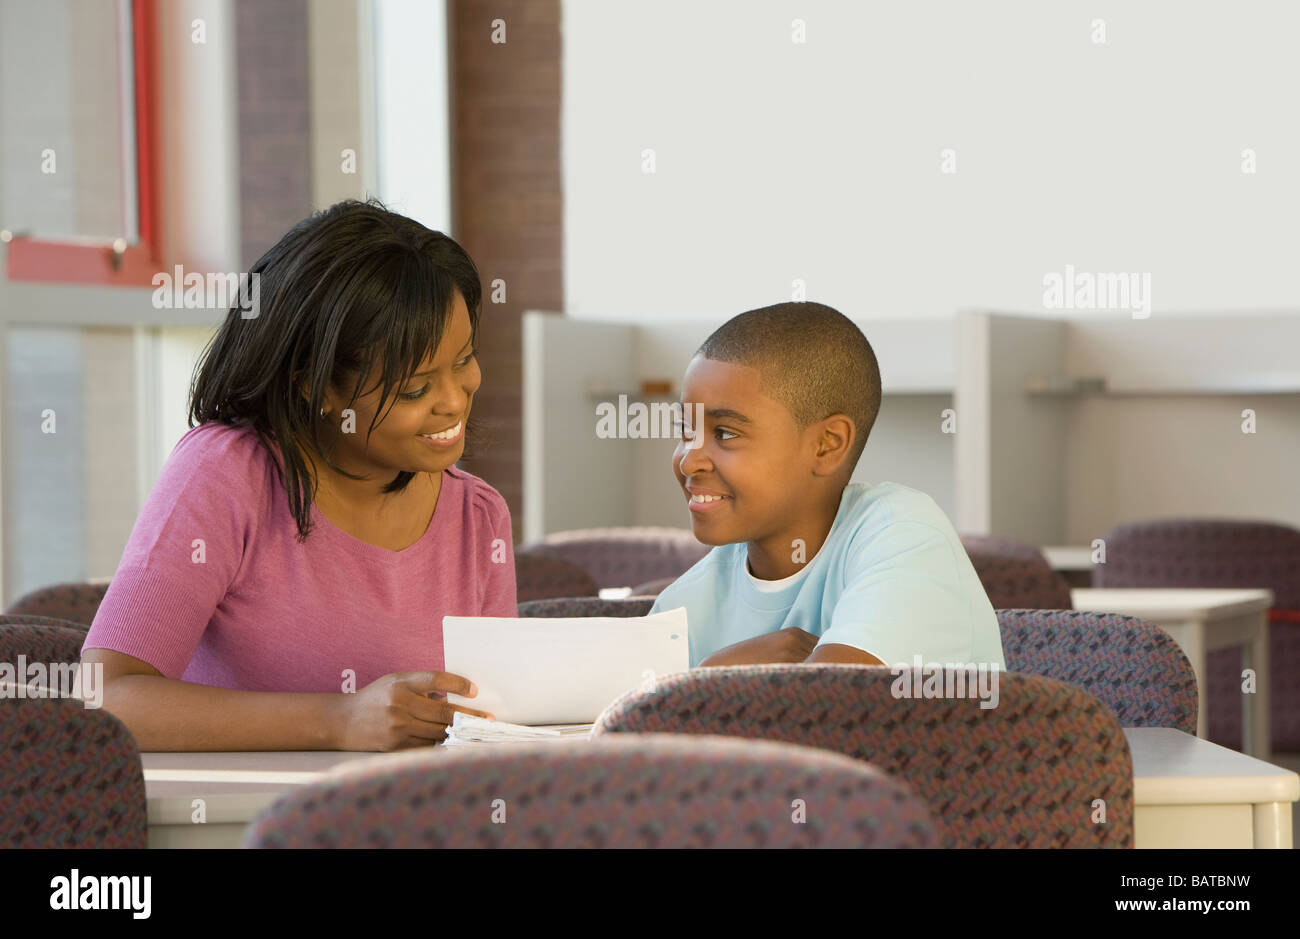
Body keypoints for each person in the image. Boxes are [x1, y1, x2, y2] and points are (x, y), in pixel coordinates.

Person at [81, 199, 513, 751]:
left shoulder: (477, 515)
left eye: (463, 361)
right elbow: (106, 697)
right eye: (414, 388)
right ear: (313, 385)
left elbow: (492, 722)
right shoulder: (226, 477)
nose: (454, 401)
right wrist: (338, 720)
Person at [649, 302, 1005, 670]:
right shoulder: (682, 607)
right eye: (686, 430)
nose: (689, 461)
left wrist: (703, 675)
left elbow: (834, 702)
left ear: (827, 445)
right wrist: (714, 670)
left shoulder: (906, 535)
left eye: (725, 433)